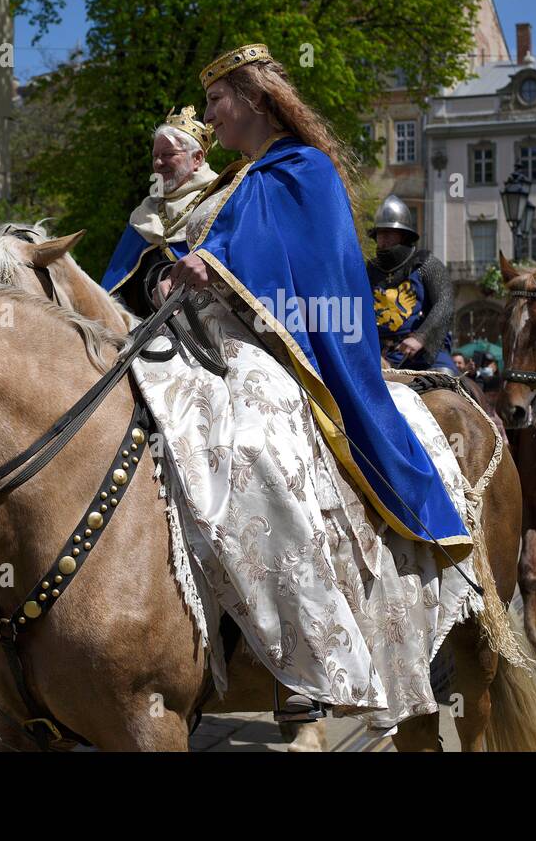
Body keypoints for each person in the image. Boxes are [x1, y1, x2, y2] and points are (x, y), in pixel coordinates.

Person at [150, 43, 473, 729]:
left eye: (216, 101)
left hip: (282, 345)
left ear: (255, 99)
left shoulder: (307, 170)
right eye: (205, 107)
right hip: (206, 336)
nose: (209, 117)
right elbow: (216, 246)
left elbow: (314, 269)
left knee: (255, 442)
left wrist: (219, 267)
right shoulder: (240, 178)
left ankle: (309, 645)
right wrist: (180, 271)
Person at [102, 106, 217, 316]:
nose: (158, 163)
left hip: (201, 324)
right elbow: (114, 287)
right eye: (155, 156)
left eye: (168, 155)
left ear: (197, 159)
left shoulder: (219, 201)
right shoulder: (145, 212)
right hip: (140, 328)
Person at [366, 197, 456, 374]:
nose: (382, 240)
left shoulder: (426, 265)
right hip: (378, 355)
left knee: (446, 376)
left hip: (423, 353)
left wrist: (420, 337)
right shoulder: (368, 270)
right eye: (380, 234)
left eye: (389, 234)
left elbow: (445, 304)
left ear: (403, 236)